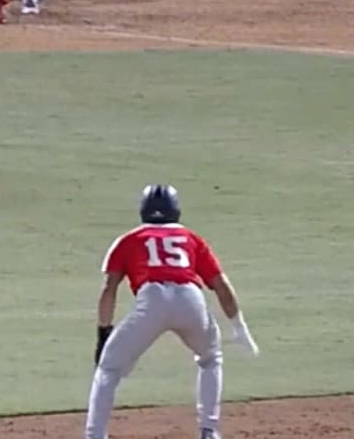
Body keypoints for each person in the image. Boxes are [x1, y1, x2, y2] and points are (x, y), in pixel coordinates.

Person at [85, 184, 259, 439]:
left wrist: (103, 333)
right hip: (191, 299)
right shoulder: (191, 238)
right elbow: (221, 285)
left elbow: (109, 288)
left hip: (152, 300)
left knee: (108, 368)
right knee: (210, 359)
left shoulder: (129, 239)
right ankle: (209, 431)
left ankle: (94, 435)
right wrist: (239, 328)